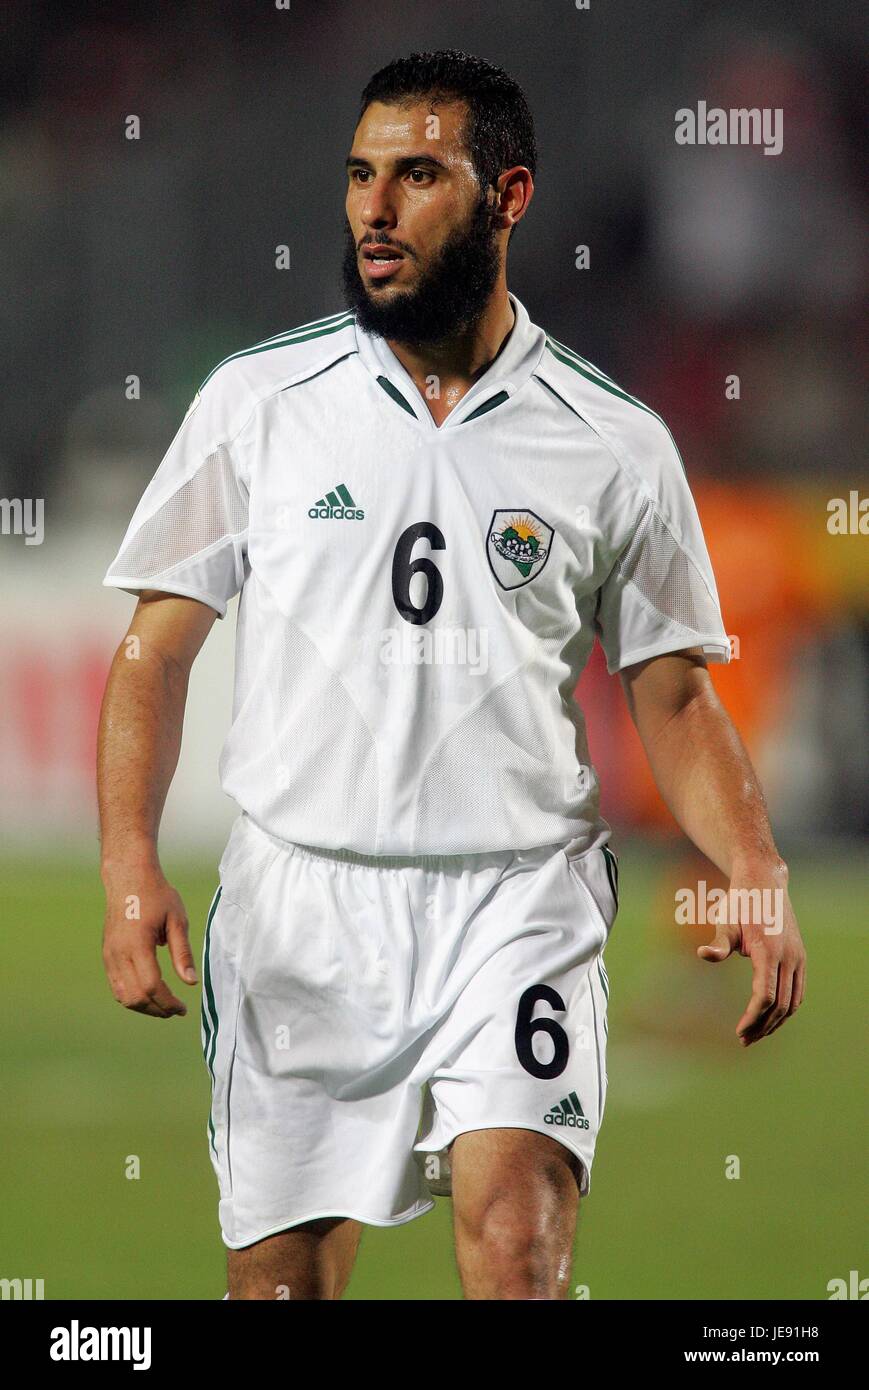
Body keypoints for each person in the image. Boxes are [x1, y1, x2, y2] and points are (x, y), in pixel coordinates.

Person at [98, 49, 806, 1300]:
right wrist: (126, 864)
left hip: (515, 900)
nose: (374, 208)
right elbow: (155, 649)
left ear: (507, 196)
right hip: (300, 909)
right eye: (361, 175)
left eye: (417, 175)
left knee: (515, 1250)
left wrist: (750, 866)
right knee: (280, 1290)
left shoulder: (613, 443)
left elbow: (676, 691)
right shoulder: (259, 403)